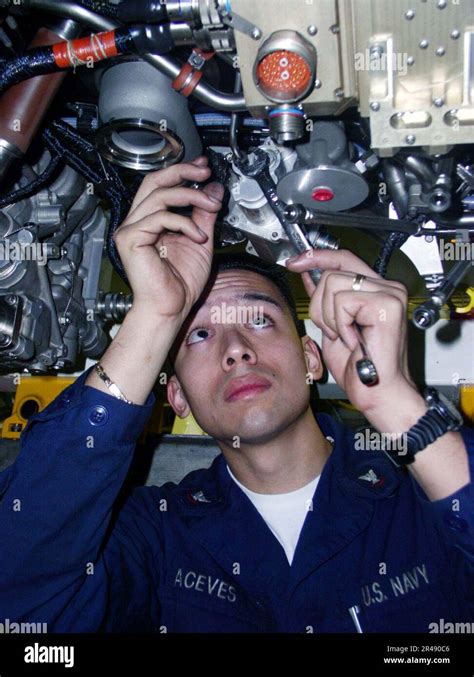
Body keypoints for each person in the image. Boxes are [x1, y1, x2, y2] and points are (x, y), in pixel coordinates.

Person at [0, 157, 472, 633]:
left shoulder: (424, 495)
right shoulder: (157, 535)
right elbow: (23, 610)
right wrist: (155, 317)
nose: (237, 352)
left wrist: (395, 401)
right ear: (177, 396)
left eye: (260, 320)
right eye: (200, 335)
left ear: (312, 359)